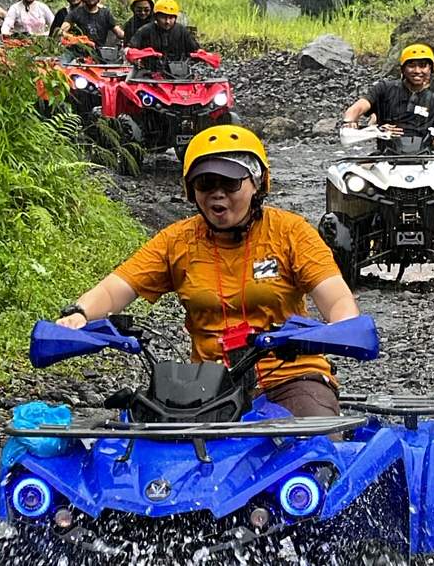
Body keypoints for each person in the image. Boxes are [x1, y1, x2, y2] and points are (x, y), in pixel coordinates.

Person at [55, 125, 360, 418]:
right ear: (191, 189)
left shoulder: (291, 232)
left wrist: (344, 328)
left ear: (256, 184)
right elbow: (115, 288)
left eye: (230, 183)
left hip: (290, 377)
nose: (217, 193)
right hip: (208, 384)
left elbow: (334, 298)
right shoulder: (177, 241)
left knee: (313, 452)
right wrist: (80, 313)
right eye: (205, 183)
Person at [341, 43, 434, 152]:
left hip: (424, 161)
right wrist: (349, 122)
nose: (417, 71)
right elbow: (357, 108)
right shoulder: (384, 89)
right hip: (385, 159)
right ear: (403, 69)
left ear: (431, 70)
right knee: (348, 175)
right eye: (411, 65)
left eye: (423, 65)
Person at [128, 0, 199, 63]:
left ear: (175, 18)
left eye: (171, 18)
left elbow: (196, 50)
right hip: (149, 70)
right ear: (156, 17)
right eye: (163, 17)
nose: (167, 21)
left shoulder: (182, 31)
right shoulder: (145, 30)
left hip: (178, 70)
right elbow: (129, 50)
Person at [59, 0, 124, 45]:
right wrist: (77, 39)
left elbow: (119, 33)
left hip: (99, 52)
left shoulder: (105, 13)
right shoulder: (75, 13)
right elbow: (61, 32)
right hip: (78, 51)